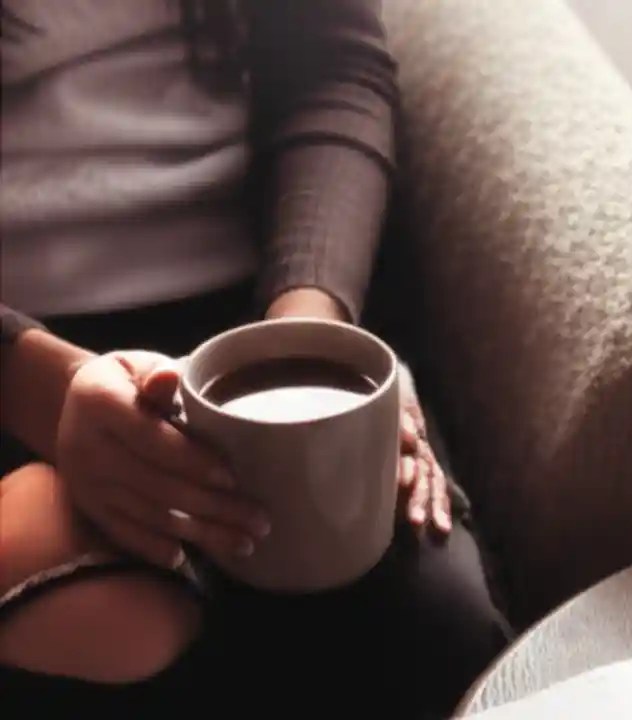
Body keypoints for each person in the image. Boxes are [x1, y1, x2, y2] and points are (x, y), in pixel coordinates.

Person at [0, 1, 510, 716]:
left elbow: (333, 67)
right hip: (22, 340)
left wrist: (310, 341)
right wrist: (39, 391)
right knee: (105, 634)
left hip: (272, 291)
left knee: (433, 632)